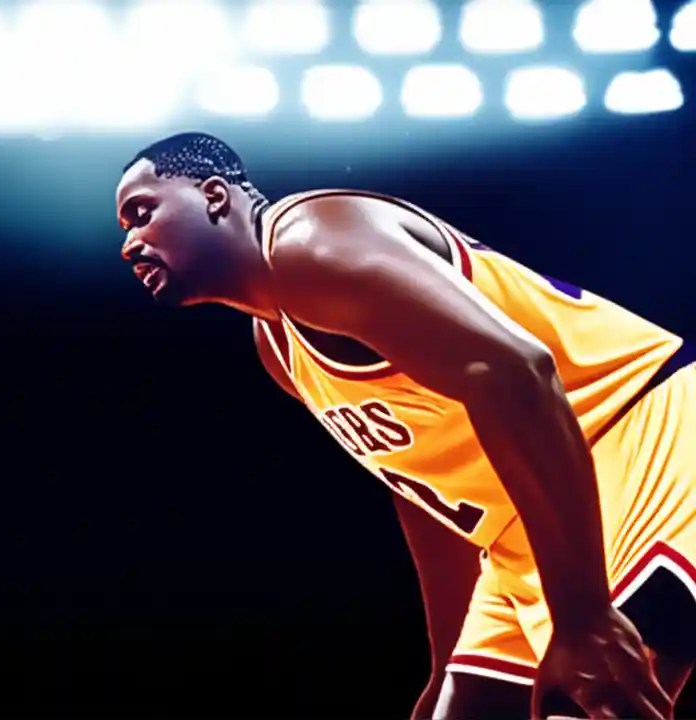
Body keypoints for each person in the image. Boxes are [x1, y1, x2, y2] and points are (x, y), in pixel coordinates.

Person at [114, 131, 696, 719]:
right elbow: (422, 488)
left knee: (598, 700)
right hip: (527, 520)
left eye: (142, 213)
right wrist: (446, 663)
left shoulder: (312, 243)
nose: (129, 244)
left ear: (214, 195)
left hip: (642, 432)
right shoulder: (278, 346)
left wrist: (585, 615)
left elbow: (518, 371)